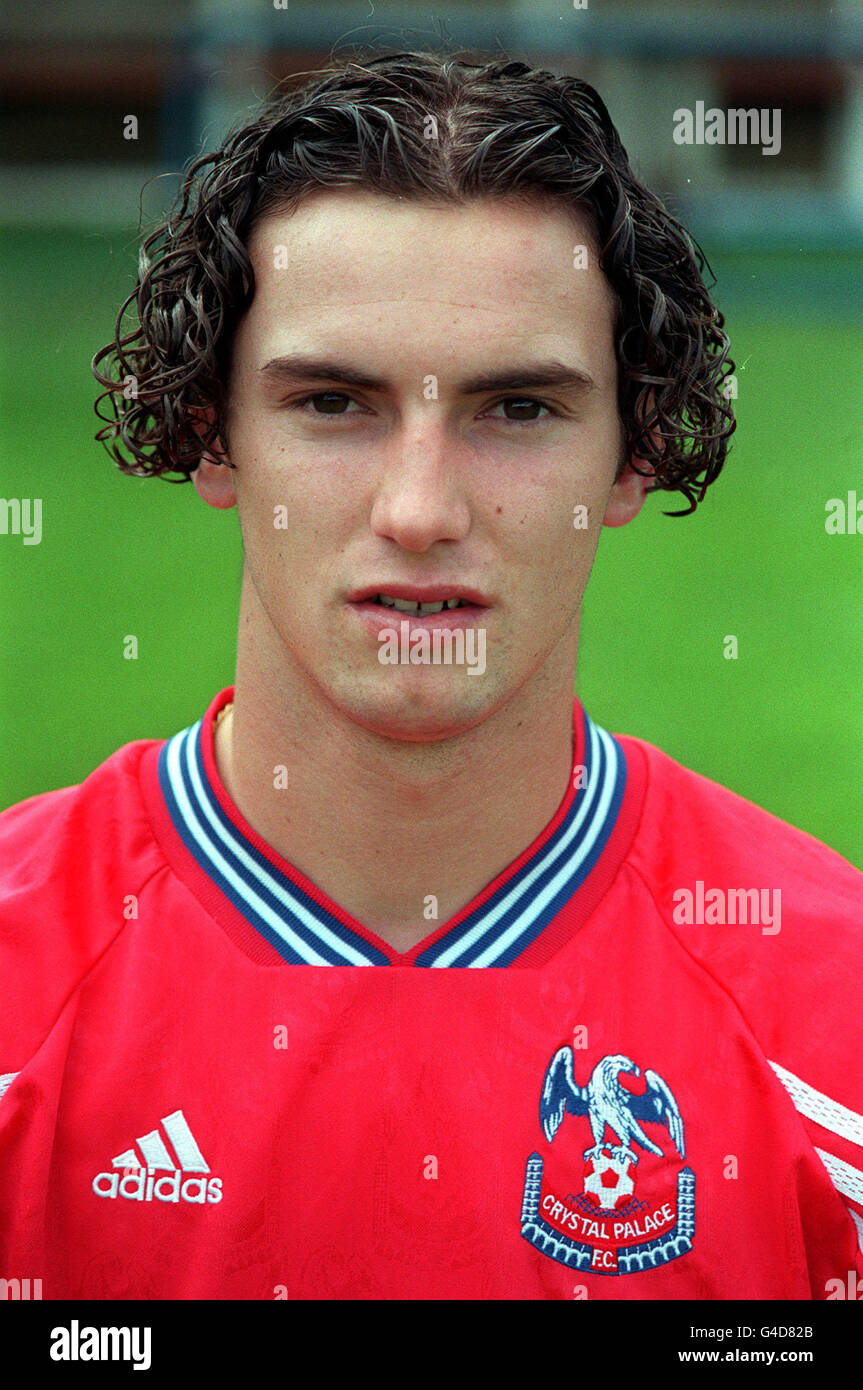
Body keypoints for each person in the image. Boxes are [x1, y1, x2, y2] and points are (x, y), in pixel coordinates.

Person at [1, 50, 860, 1301]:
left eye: (515, 409)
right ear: (209, 428)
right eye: (333, 402)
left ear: (634, 452)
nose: (418, 508)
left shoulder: (829, 1012)